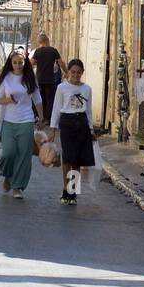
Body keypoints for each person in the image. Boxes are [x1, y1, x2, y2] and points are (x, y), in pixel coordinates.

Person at [0, 48, 42, 200]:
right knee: (8, 153)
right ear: (11, 63)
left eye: (20, 63)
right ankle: (8, 175)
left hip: (26, 120)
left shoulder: (29, 78)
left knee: (24, 156)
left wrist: (41, 117)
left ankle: (17, 187)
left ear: (25, 63)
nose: (18, 65)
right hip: (8, 121)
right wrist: (8, 100)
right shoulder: (6, 78)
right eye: (15, 63)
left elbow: (37, 98)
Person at [51, 58, 95, 205]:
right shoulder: (62, 88)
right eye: (73, 72)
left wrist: (91, 129)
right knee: (67, 158)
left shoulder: (87, 89)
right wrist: (53, 128)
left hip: (81, 123)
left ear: (82, 73)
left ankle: (73, 191)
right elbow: (57, 108)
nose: (76, 75)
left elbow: (88, 111)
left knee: (77, 160)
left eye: (79, 72)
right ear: (69, 72)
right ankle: (65, 188)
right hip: (67, 123)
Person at [30, 33, 66, 126]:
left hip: (40, 79)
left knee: (40, 98)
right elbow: (61, 63)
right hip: (50, 79)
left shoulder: (37, 51)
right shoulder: (53, 51)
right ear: (47, 40)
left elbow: (31, 64)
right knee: (50, 100)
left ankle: (39, 117)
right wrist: (67, 72)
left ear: (40, 42)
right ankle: (47, 119)